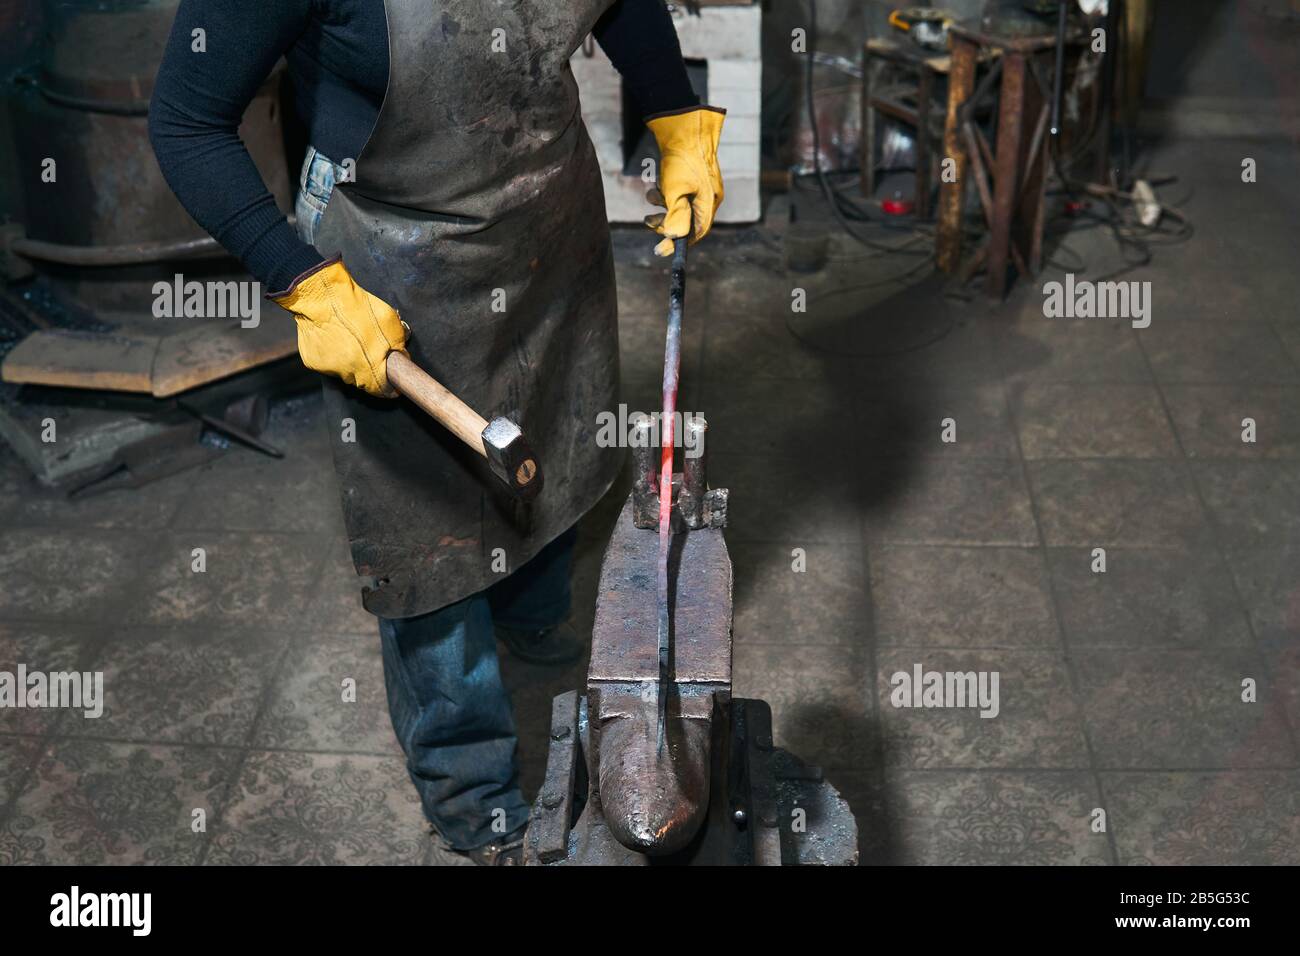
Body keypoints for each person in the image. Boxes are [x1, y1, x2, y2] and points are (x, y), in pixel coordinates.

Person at [149, 0, 725, 864]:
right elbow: (186, 121)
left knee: (556, 436)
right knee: (431, 533)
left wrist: (672, 108)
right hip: (388, 248)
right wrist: (299, 279)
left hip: (544, 213)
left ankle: (533, 611)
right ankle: (472, 791)